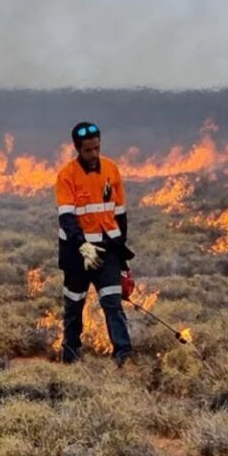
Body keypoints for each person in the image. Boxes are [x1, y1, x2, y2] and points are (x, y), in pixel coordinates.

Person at [55, 121, 132, 365]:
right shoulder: (66, 175)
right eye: (88, 150)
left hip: (108, 251)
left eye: (97, 148)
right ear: (78, 149)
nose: (93, 154)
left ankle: (123, 357)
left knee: (113, 303)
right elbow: (67, 218)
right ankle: (70, 356)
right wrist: (83, 246)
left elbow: (120, 214)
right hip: (76, 253)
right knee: (74, 305)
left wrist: (121, 254)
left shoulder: (111, 169)